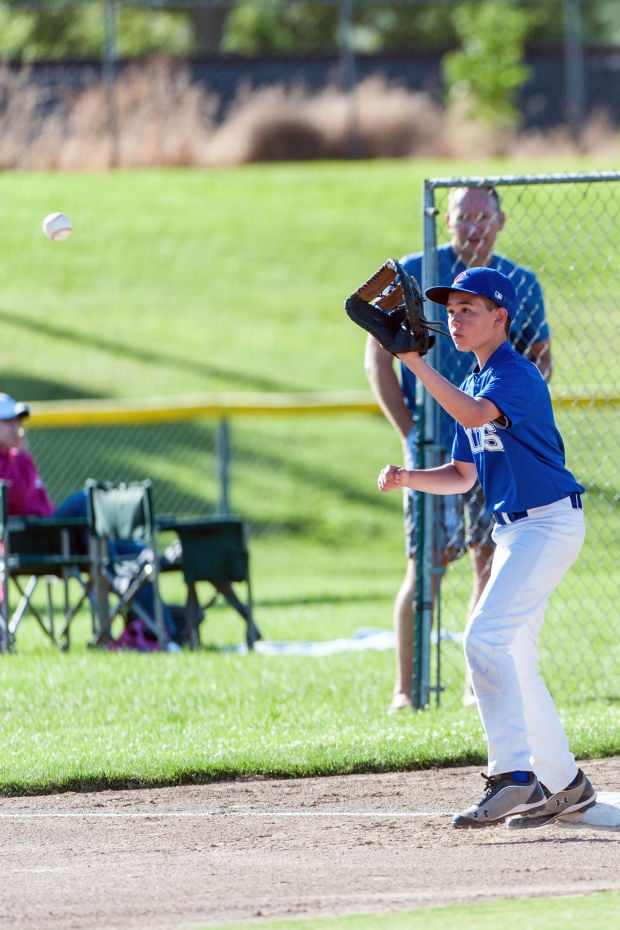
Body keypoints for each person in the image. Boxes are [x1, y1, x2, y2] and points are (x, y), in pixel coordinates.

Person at [377, 267, 596, 828]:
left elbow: (476, 417)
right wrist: (409, 477)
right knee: (515, 658)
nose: (456, 318)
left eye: (469, 309)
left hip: (547, 524)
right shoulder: (472, 383)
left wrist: (414, 362)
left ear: (501, 317)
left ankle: (513, 775)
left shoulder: (514, 374)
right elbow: (461, 474)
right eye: (451, 310)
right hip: (514, 531)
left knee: (483, 637)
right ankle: (566, 784)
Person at [364, 185, 552, 712]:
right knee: (425, 566)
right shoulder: (418, 270)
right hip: (431, 441)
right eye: (462, 216)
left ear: (499, 221)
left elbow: (540, 356)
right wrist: (409, 430)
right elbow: (379, 359)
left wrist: (514, 417)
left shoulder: (519, 284)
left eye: (481, 217)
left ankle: (476, 687)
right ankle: (407, 691)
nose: (472, 226)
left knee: (487, 561)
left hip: (488, 446)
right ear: (446, 220)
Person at [0, 394, 175, 648]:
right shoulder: (14, 461)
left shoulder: (14, 459)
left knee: (138, 553)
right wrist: (24, 456)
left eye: (17, 421)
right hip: (30, 542)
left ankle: (161, 632)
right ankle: (115, 570)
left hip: (56, 534)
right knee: (86, 501)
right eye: (8, 422)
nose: (17, 428)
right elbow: (15, 496)